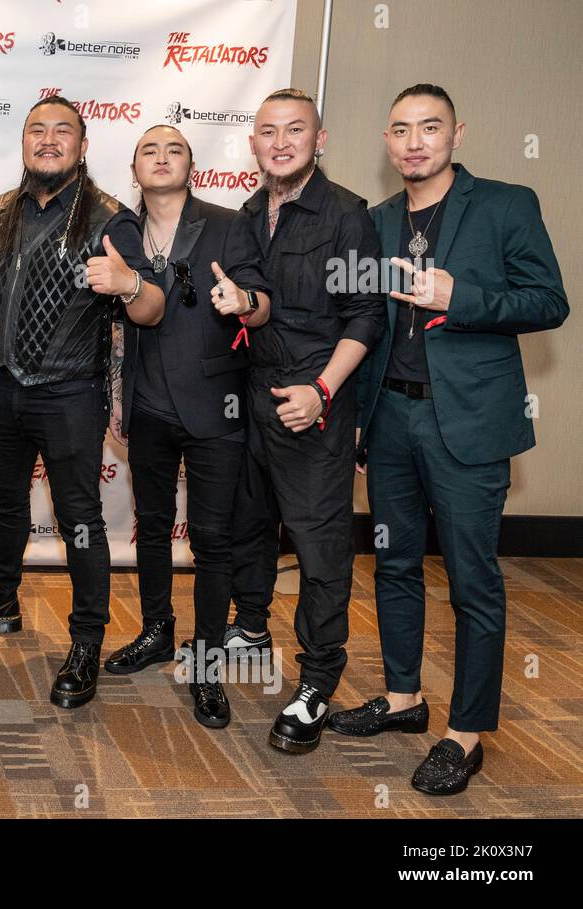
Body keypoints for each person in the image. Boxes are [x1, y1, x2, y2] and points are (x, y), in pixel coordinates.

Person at [329, 84, 568, 794]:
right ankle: (404, 699)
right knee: (396, 565)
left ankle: (465, 732)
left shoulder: (505, 203)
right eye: (400, 129)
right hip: (391, 418)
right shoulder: (374, 221)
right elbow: (366, 323)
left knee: (472, 581)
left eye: (429, 127)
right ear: (386, 140)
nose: (414, 142)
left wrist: (457, 297)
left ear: (456, 134)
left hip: (464, 420)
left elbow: (548, 300)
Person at [0, 96, 166, 709]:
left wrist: (132, 285)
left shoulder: (112, 217)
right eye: (35, 130)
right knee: (3, 501)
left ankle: (87, 638)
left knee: (81, 521)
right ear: (22, 144)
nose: (48, 140)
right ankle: (1, 597)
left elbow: (151, 307)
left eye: (62, 130)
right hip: (3, 387)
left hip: (72, 390)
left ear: (83, 146)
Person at [227, 88, 387, 753]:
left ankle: (318, 678)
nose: (282, 141)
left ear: (319, 140)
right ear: (254, 145)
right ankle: (252, 625)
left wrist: (322, 390)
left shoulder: (347, 214)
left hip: (313, 407)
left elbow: (366, 317)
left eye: (296, 130)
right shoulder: (245, 213)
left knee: (321, 551)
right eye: (269, 131)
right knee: (250, 524)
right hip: (251, 402)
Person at [105, 125, 270, 728]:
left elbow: (262, 298)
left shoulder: (229, 223)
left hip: (214, 405)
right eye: (150, 150)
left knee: (211, 539)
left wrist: (245, 301)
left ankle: (203, 660)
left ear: (191, 166)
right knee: (150, 528)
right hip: (146, 404)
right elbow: (116, 325)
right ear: (135, 168)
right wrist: (119, 394)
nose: (162, 157)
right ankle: (156, 632)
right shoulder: (121, 231)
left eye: (174, 149)